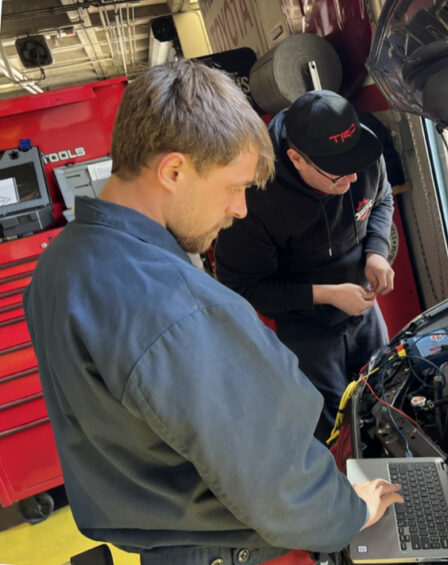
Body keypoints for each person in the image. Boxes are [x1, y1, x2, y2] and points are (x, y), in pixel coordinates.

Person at [23, 61, 401, 565]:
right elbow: (271, 479)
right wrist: (349, 511)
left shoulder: (64, 260)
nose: (241, 209)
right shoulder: (170, 305)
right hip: (220, 548)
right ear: (174, 171)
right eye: (235, 187)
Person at [215, 90, 395, 442]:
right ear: (296, 158)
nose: (352, 181)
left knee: (389, 396)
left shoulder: (362, 156)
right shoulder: (255, 198)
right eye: (337, 176)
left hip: (362, 308)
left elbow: (382, 199)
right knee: (335, 431)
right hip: (306, 327)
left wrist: (376, 249)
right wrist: (327, 295)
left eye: (355, 168)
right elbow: (244, 287)